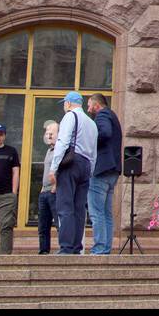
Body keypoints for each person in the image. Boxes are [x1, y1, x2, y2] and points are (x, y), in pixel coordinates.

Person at [50, 92, 97, 255]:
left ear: (69, 103)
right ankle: (77, 246)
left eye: (64, 103)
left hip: (70, 163)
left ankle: (66, 247)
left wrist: (53, 167)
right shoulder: (91, 123)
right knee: (79, 208)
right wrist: (90, 170)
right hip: (85, 165)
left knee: (65, 206)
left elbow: (62, 142)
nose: (64, 106)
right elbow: (94, 151)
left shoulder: (70, 117)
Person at [86, 93, 123, 255]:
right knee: (106, 212)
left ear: (96, 105)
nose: (88, 109)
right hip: (113, 170)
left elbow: (105, 133)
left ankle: (100, 248)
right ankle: (105, 247)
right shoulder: (113, 115)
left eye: (89, 105)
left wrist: (89, 140)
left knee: (97, 212)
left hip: (101, 169)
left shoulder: (102, 115)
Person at [0, 123, 20, 254]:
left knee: (6, 226)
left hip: (6, 195)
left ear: (4, 136)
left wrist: (14, 192)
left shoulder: (11, 151)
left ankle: (5, 256)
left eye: (0, 135)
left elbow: (16, 172)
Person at [38, 120, 59, 255]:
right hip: (44, 191)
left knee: (58, 222)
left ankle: (63, 248)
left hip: (54, 191)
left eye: (51, 133)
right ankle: (43, 250)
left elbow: (61, 169)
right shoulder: (48, 150)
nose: (48, 136)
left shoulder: (60, 150)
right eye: (47, 133)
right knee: (43, 225)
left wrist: (55, 186)